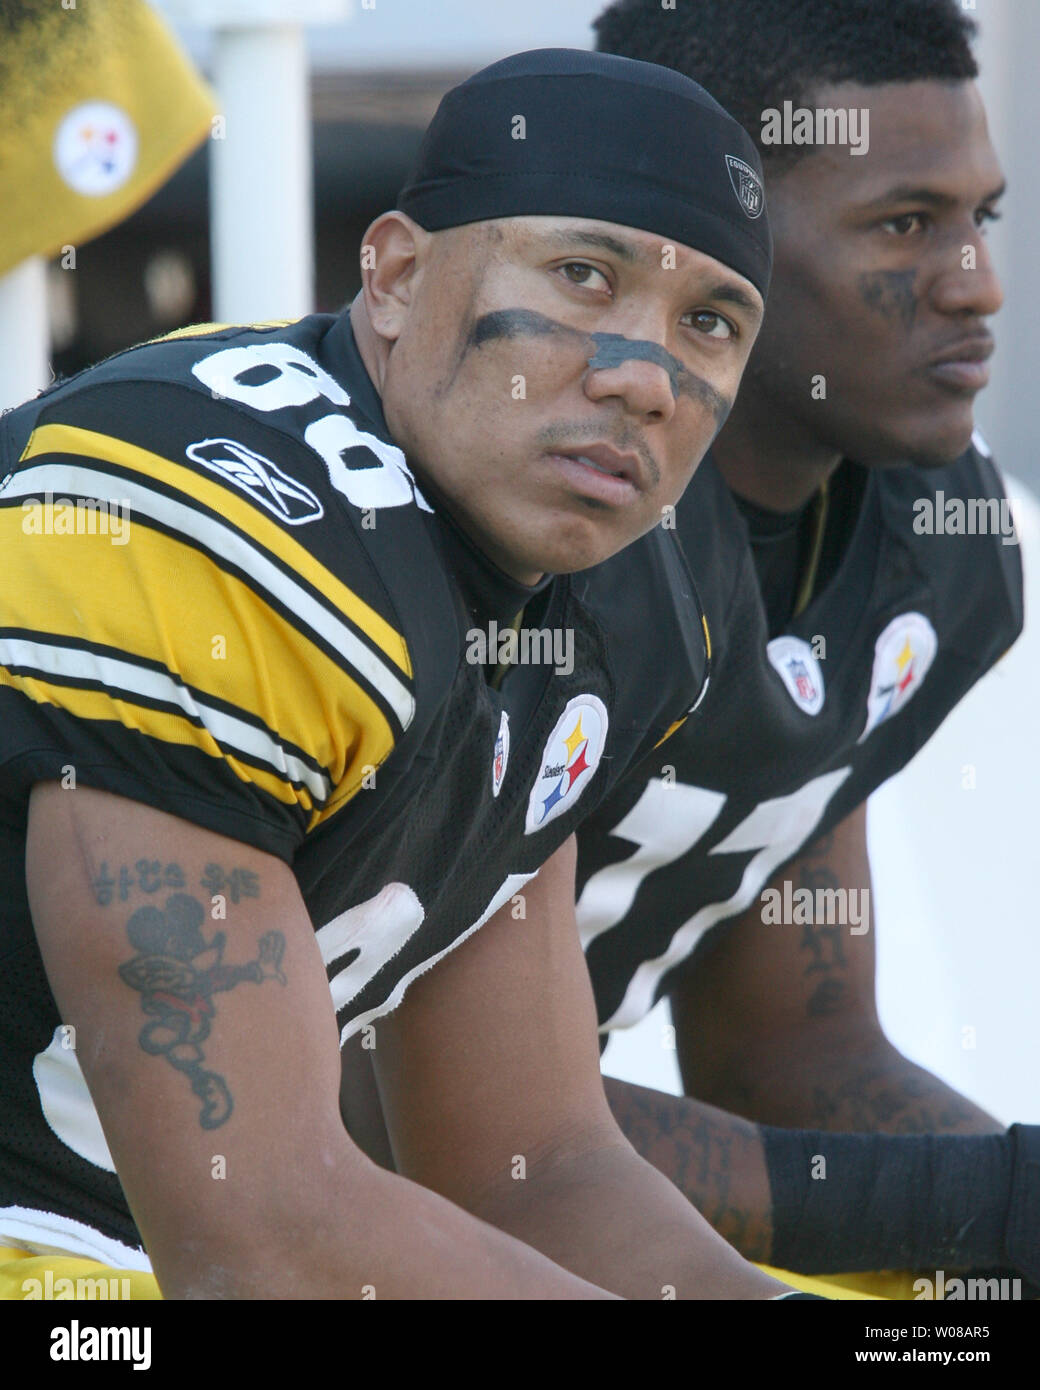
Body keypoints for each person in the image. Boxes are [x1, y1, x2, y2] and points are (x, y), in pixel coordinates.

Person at [0, 49, 806, 1301]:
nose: (644, 375)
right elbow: (260, 1237)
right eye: (582, 274)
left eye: (708, 322)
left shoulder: (620, 601)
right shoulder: (207, 519)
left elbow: (532, 1169)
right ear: (393, 275)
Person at [570, 0, 1037, 1296]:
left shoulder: (921, 531)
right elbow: (422, 1118)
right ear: (701, 239)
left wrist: (1003, 1220)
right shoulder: (534, 531)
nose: (977, 284)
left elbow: (790, 1052)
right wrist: (996, 1207)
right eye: (904, 223)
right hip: (131, 1214)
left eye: (980, 216)